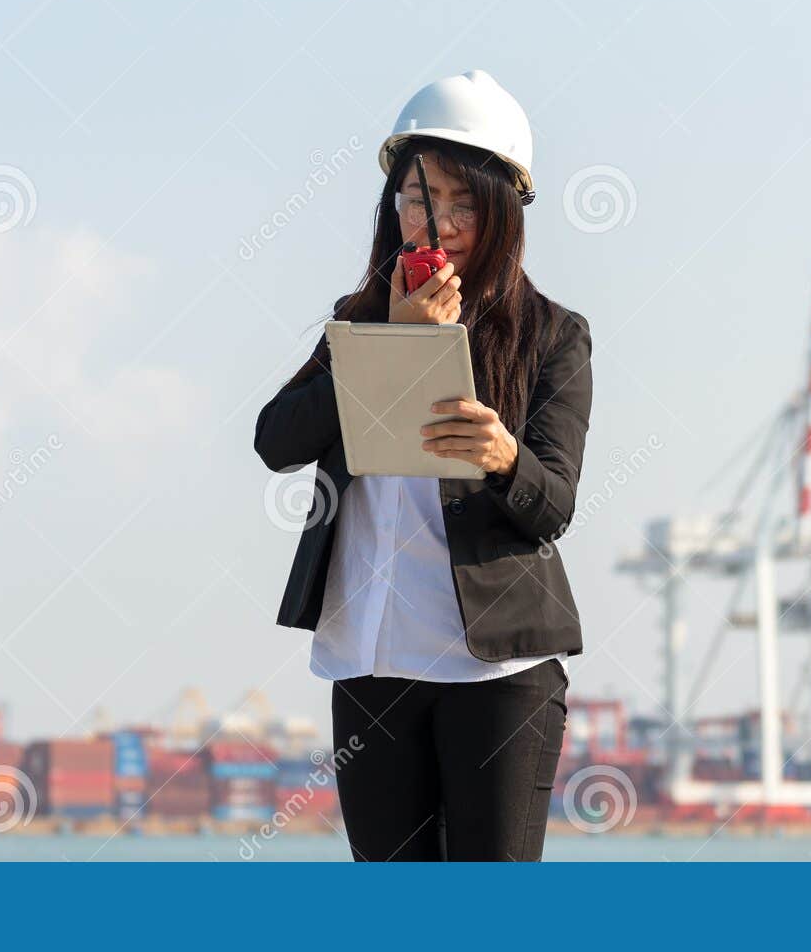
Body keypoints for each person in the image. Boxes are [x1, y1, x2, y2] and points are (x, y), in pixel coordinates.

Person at [253, 69, 593, 861]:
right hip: (370, 662)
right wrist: (393, 340)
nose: (433, 221)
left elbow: (553, 507)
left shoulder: (552, 335)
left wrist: (505, 458)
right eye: (416, 197)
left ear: (503, 209)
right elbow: (276, 442)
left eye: (460, 202)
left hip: (497, 674)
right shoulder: (357, 322)